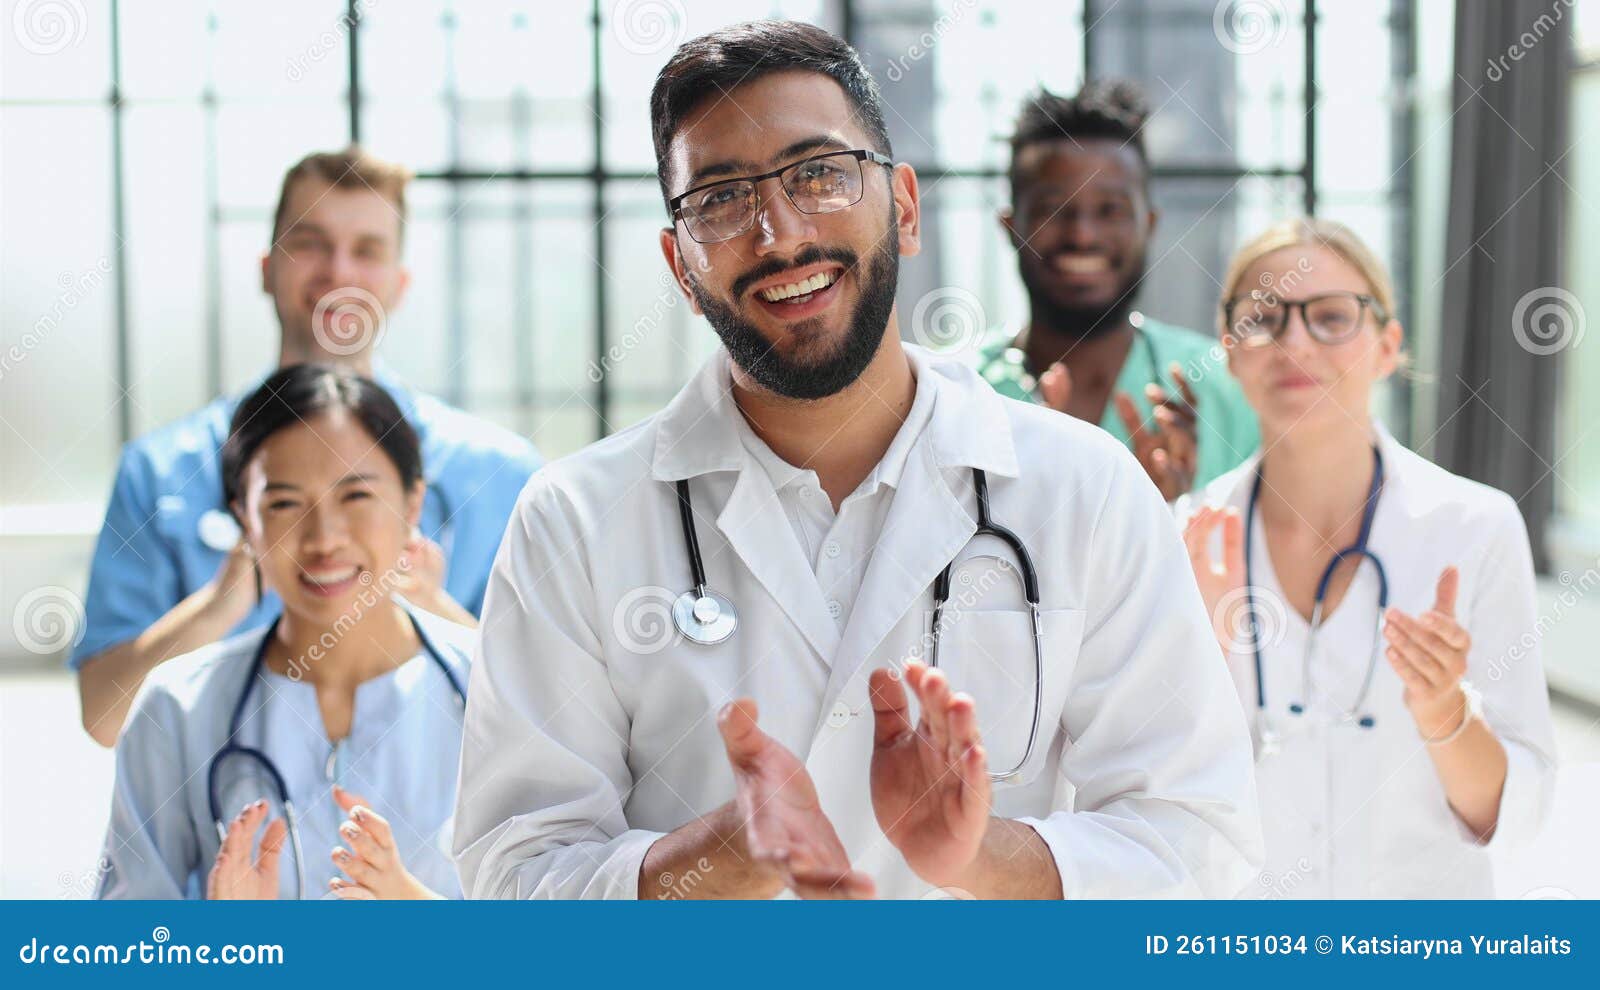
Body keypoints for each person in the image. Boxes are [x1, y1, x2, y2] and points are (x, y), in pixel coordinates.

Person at [454, 20, 1260, 901]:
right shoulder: (574, 519)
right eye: (720, 199)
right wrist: (704, 864)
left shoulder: (1087, 490)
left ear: (904, 209)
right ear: (680, 267)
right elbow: (512, 869)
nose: (780, 233)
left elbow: (1199, 841)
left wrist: (985, 856)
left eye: (819, 174)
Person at [73, 147, 541, 747]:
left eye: (366, 250)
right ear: (267, 269)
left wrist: (431, 609)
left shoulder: (499, 474)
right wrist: (218, 608)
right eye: (311, 243)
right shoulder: (159, 473)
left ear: (398, 286)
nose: (337, 272)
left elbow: (548, 717)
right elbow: (105, 718)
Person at [1178, 218, 1557, 897]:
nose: (1294, 341)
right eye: (1263, 318)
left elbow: (1516, 814)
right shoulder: (1188, 539)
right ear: (1231, 351)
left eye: (1330, 317)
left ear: (1387, 346)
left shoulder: (1475, 527)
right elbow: (1155, 789)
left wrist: (1446, 714)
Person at [97, 365, 473, 900]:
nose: (324, 539)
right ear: (244, 521)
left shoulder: (494, 689)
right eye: (284, 504)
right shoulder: (178, 707)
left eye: (357, 496)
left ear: (413, 502)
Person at [976, 83, 1259, 499]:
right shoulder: (956, 392)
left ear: (1149, 224)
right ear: (1010, 227)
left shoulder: (1228, 390)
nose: (1082, 235)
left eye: (1110, 210)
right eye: (1054, 210)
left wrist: (1170, 515)